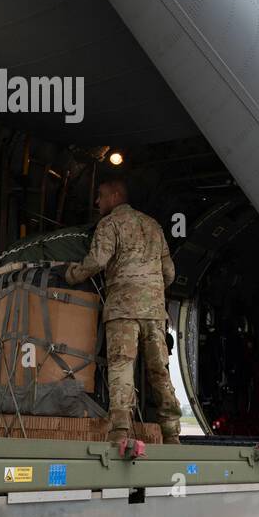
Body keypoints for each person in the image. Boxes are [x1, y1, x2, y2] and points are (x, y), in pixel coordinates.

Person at [64, 179, 182, 445]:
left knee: (121, 365)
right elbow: (170, 273)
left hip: (123, 310)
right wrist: (151, 288)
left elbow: (97, 261)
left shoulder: (110, 224)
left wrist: (71, 275)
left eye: (101, 196)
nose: (97, 202)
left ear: (115, 196)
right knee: (159, 370)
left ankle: (119, 430)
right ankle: (171, 432)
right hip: (153, 311)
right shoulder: (153, 225)